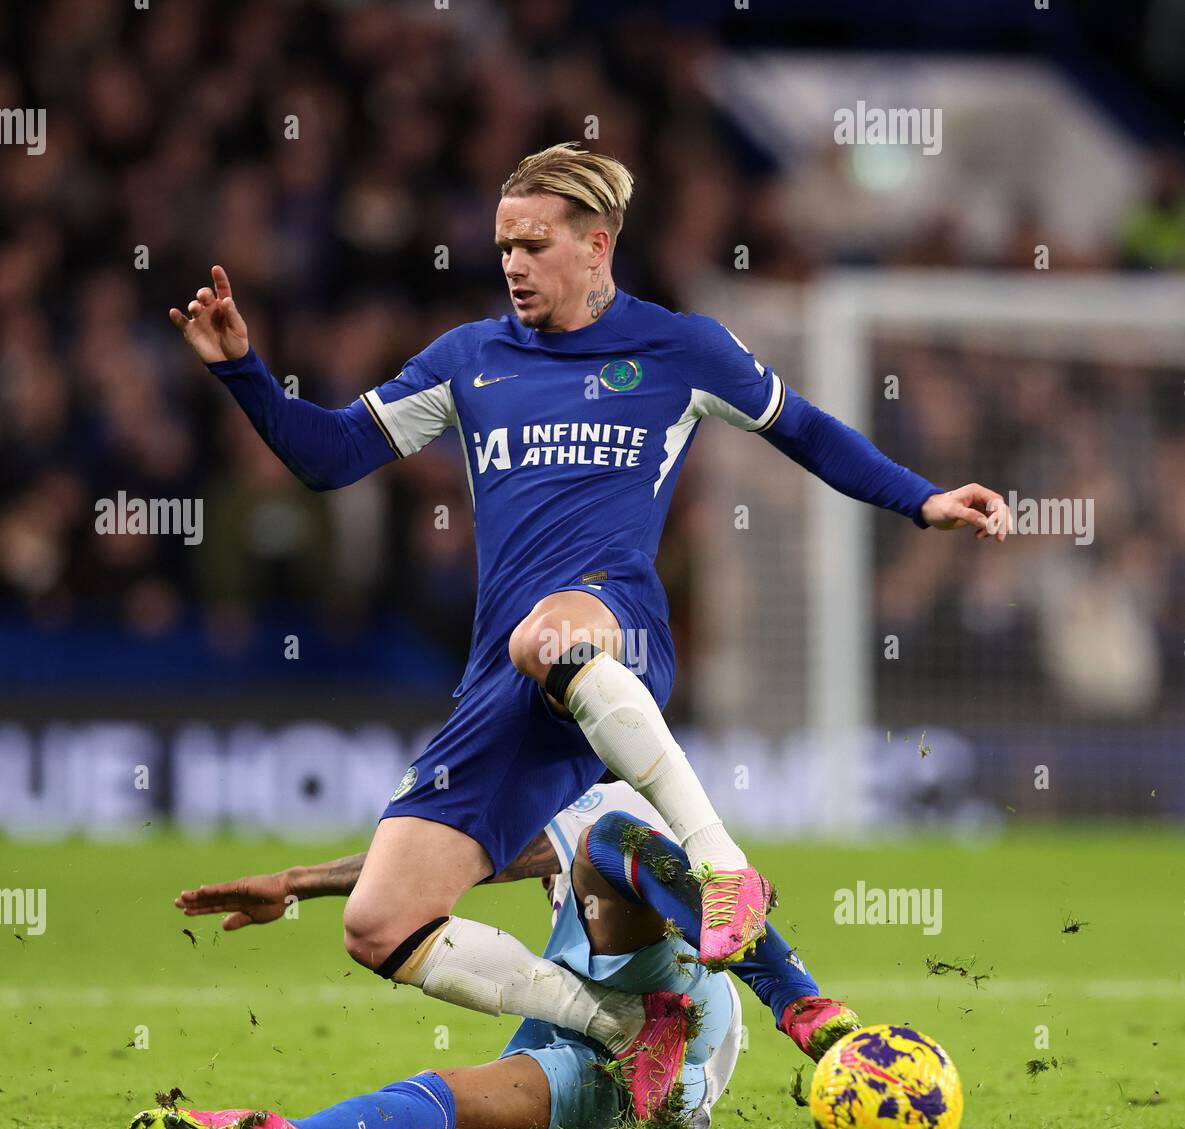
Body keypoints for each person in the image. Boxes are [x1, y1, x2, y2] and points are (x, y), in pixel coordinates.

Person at [168, 142, 1007, 1058]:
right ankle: (625, 1026)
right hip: (505, 673)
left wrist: (920, 499)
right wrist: (243, 370)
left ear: (596, 245)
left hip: (617, 623)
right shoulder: (469, 358)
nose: (513, 265)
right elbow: (329, 458)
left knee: (551, 635)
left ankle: (726, 871)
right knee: (379, 924)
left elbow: (804, 430)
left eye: (533, 245)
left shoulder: (681, 348)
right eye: (502, 248)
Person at [126, 783, 857, 1129]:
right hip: (633, 1079)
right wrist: (294, 882)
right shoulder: (563, 795)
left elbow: (461, 858)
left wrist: (301, 881)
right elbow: (431, 864)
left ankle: (793, 1002)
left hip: (677, 992)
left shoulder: (608, 795)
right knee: (448, 1099)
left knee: (610, 842)